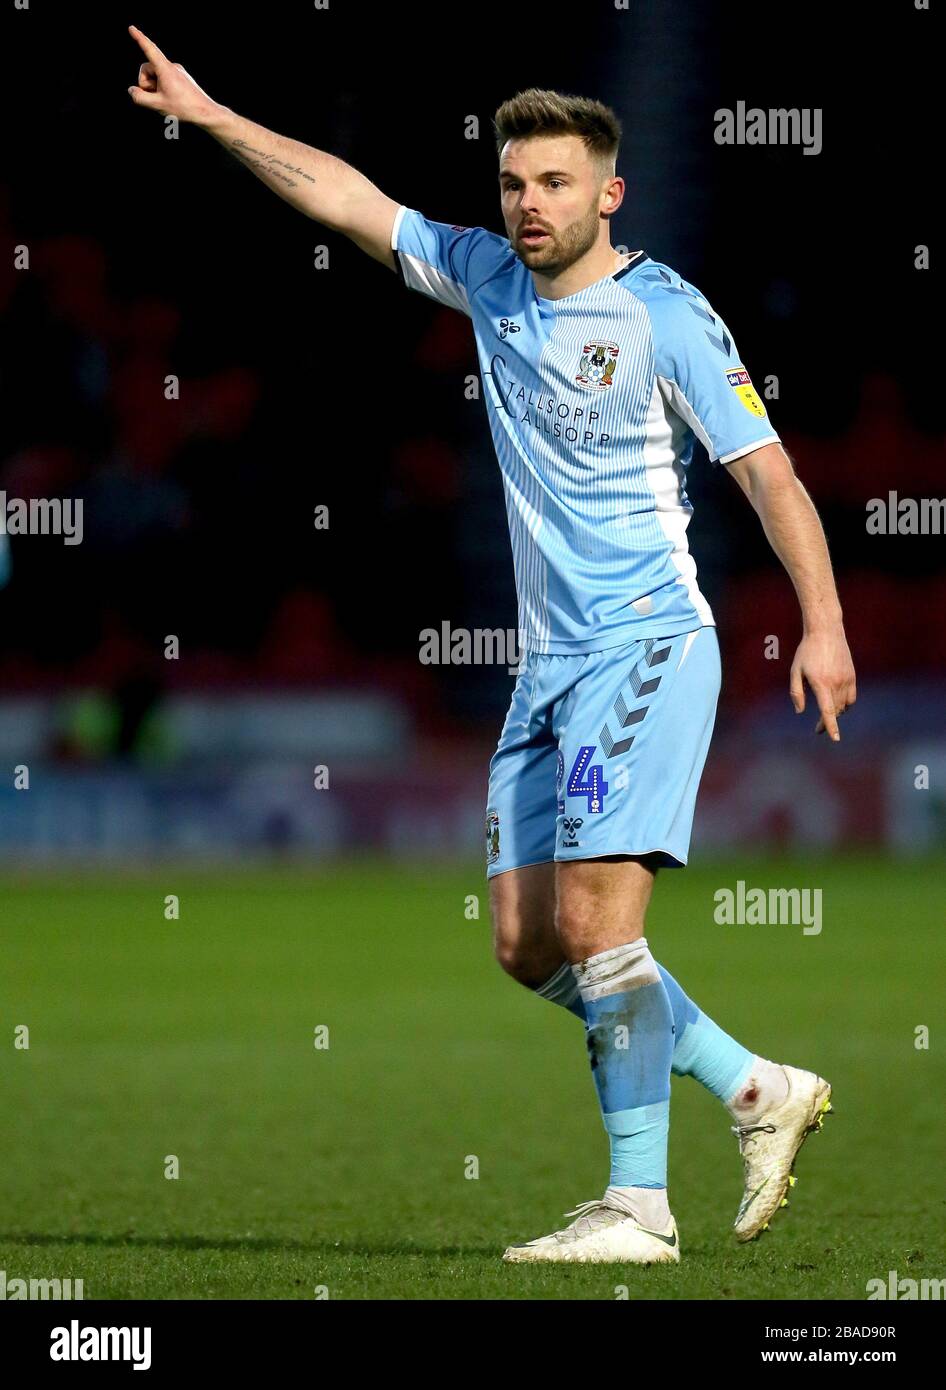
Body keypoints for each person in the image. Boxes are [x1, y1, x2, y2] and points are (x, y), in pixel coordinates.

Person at [128, 34, 856, 1265]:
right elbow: (347, 195)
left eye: (556, 183)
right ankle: (753, 1087)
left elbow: (769, 474)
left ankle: (636, 1211)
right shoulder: (487, 279)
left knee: (596, 927)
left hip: (644, 644)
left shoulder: (665, 317)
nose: (529, 204)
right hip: (548, 666)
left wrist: (823, 623)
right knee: (527, 945)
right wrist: (209, 114)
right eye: (515, 182)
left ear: (608, 192)